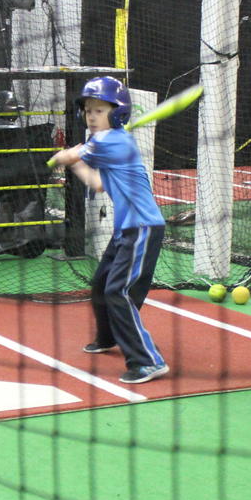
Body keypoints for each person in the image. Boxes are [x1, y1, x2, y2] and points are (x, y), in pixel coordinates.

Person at [49, 76, 169, 385]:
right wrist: (73, 161)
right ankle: (109, 336)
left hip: (142, 228)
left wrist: (64, 156)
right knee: (102, 284)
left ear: (118, 114)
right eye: (88, 110)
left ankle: (148, 361)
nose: (91, 116)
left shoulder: (111, 140)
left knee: (118, 292)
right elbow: (98, 183)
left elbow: (73, 155)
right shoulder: (109, 142)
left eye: (100, 111)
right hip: (126, 230)